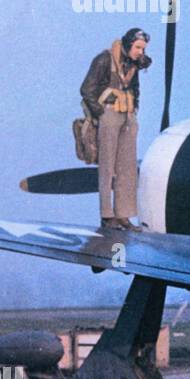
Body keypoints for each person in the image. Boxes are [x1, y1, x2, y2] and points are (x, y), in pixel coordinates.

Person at [81, 27, 151, 231]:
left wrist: (134, 107)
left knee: (128, 168)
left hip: (128, 116)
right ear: (129, 44)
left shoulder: (133, 65)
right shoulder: (104, 59)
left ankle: (123, 215)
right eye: (138, 47)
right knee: (107, 167)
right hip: (109, 114)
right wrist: (101, 113)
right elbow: (87, 89)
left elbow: (135, 88)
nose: (141, 52)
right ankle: (107, 215)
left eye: (143, 49)